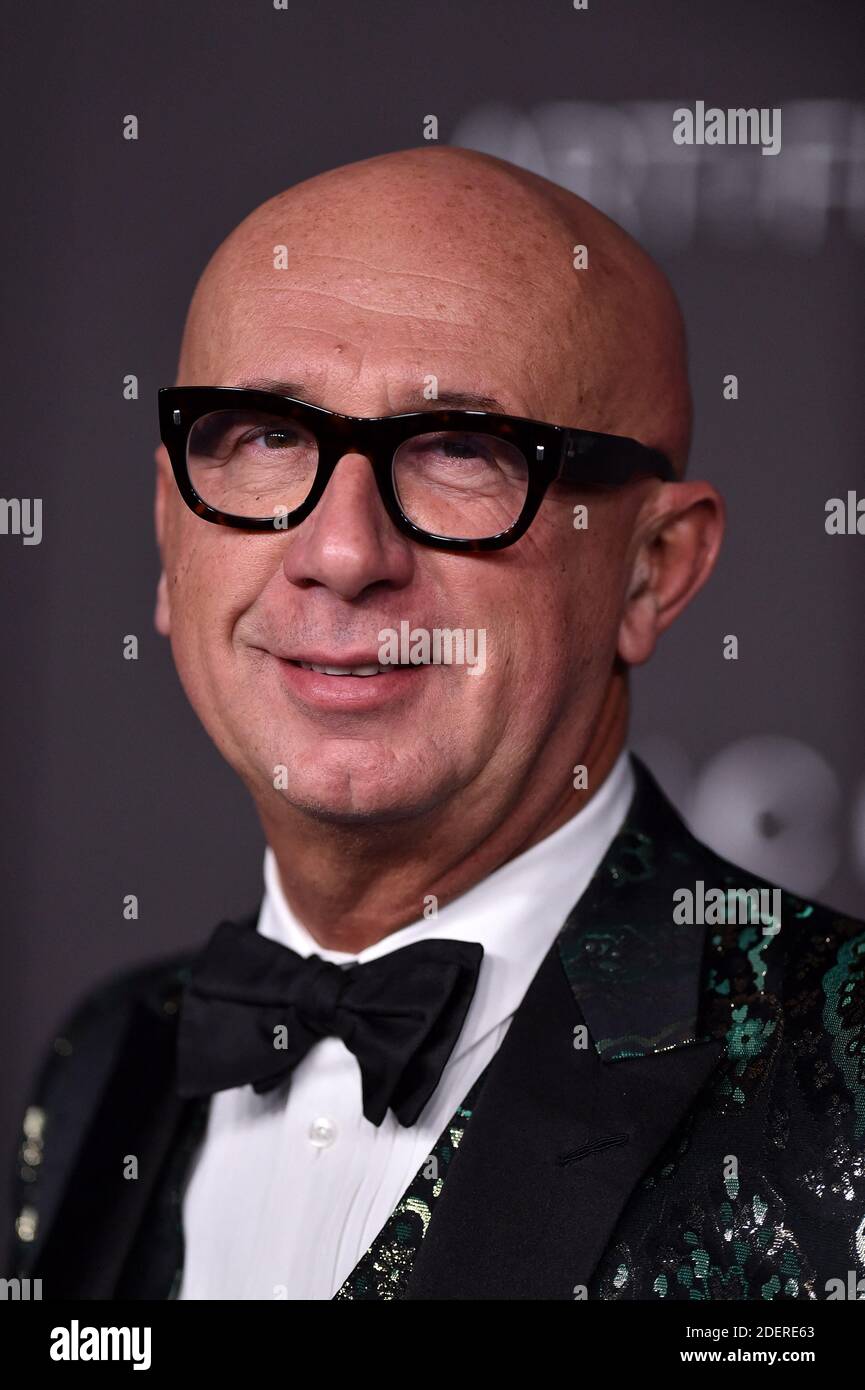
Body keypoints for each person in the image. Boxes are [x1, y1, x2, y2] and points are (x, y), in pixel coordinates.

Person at [9, 147, 864, 1301]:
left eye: (463, 448)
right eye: (266, 436)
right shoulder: (104, 1056)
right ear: (171, 536)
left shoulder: (843, 1072)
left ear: (651, 571)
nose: (343, 553)